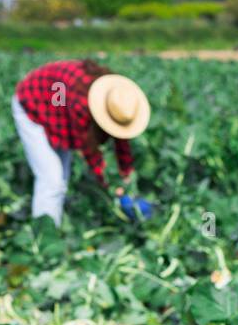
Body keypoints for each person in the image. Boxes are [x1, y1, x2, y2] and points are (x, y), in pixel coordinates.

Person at [11, 59, 150, 226]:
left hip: (56, 101)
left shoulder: (114, 94)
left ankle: (54, 222)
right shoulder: (81, 104)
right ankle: (43, 236)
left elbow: (121, 140)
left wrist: (127, 173)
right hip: (32, 103)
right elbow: (90, 151)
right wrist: (110, 188)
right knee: (52, 180)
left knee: (62, 178)